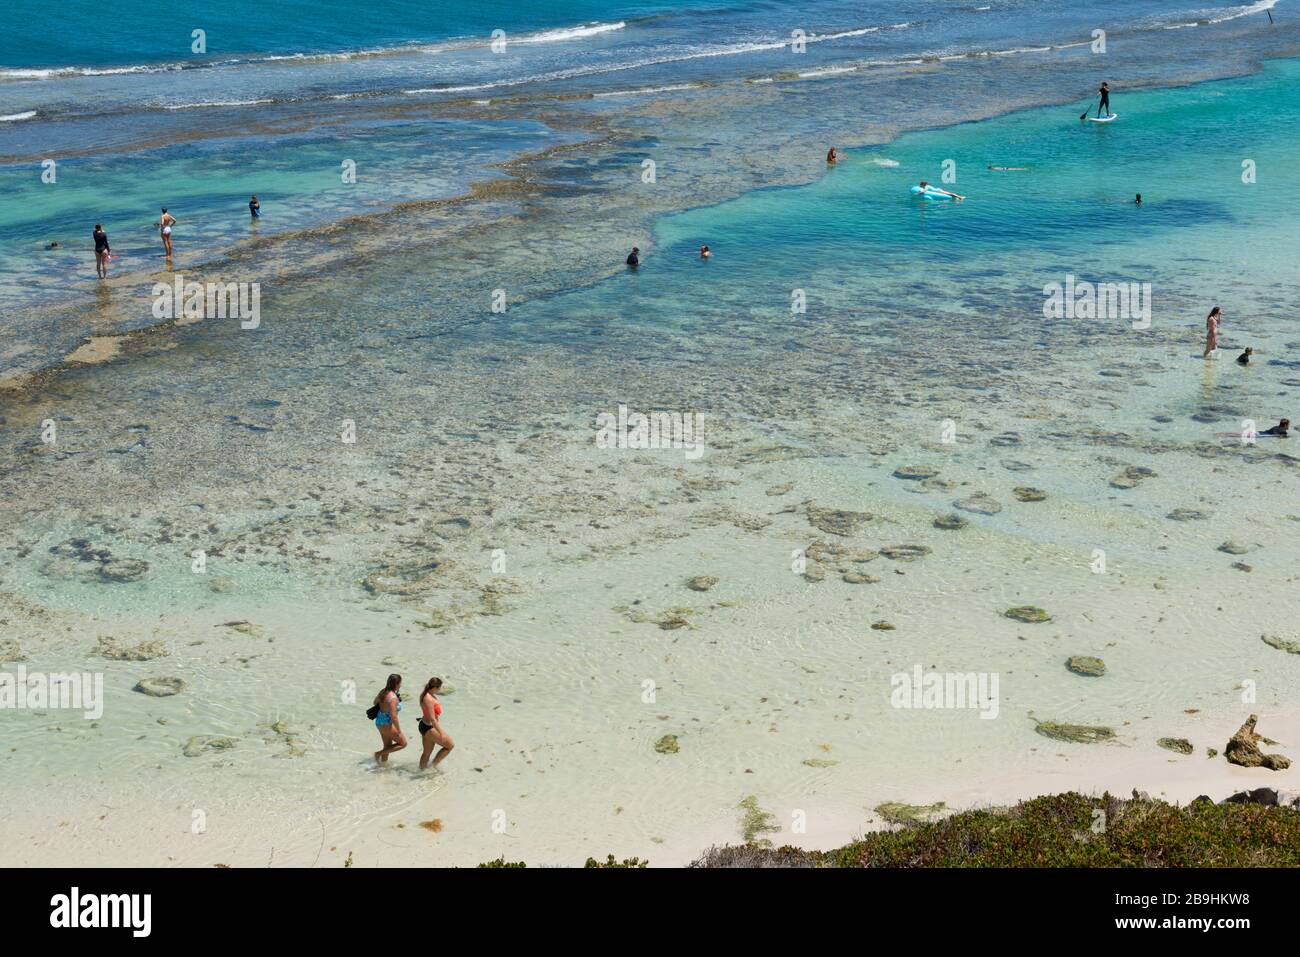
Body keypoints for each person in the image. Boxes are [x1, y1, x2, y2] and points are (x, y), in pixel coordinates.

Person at [417, 677, 454, 770]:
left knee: (427, 752)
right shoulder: (428, 698)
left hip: (425, 725)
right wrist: (442, 733)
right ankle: (432, 767)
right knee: (450, 745)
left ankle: (422, 771)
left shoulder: (427, 694)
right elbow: (433, 719)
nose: (439, 690)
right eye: (439, 688)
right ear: (435, 688)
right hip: (429, 727)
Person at [372, 673, 406, 764]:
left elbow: (374, 702)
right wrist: (398, 730)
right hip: (386, 724)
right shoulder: (393, 697)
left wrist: (384, 705)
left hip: (379, 721)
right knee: (403, 743)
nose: (401, 685)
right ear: (397, 684)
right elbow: (394, 717)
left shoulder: (383, 692)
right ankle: (377, 754)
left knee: (388, 747)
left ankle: (382, 766)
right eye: (400, 683)